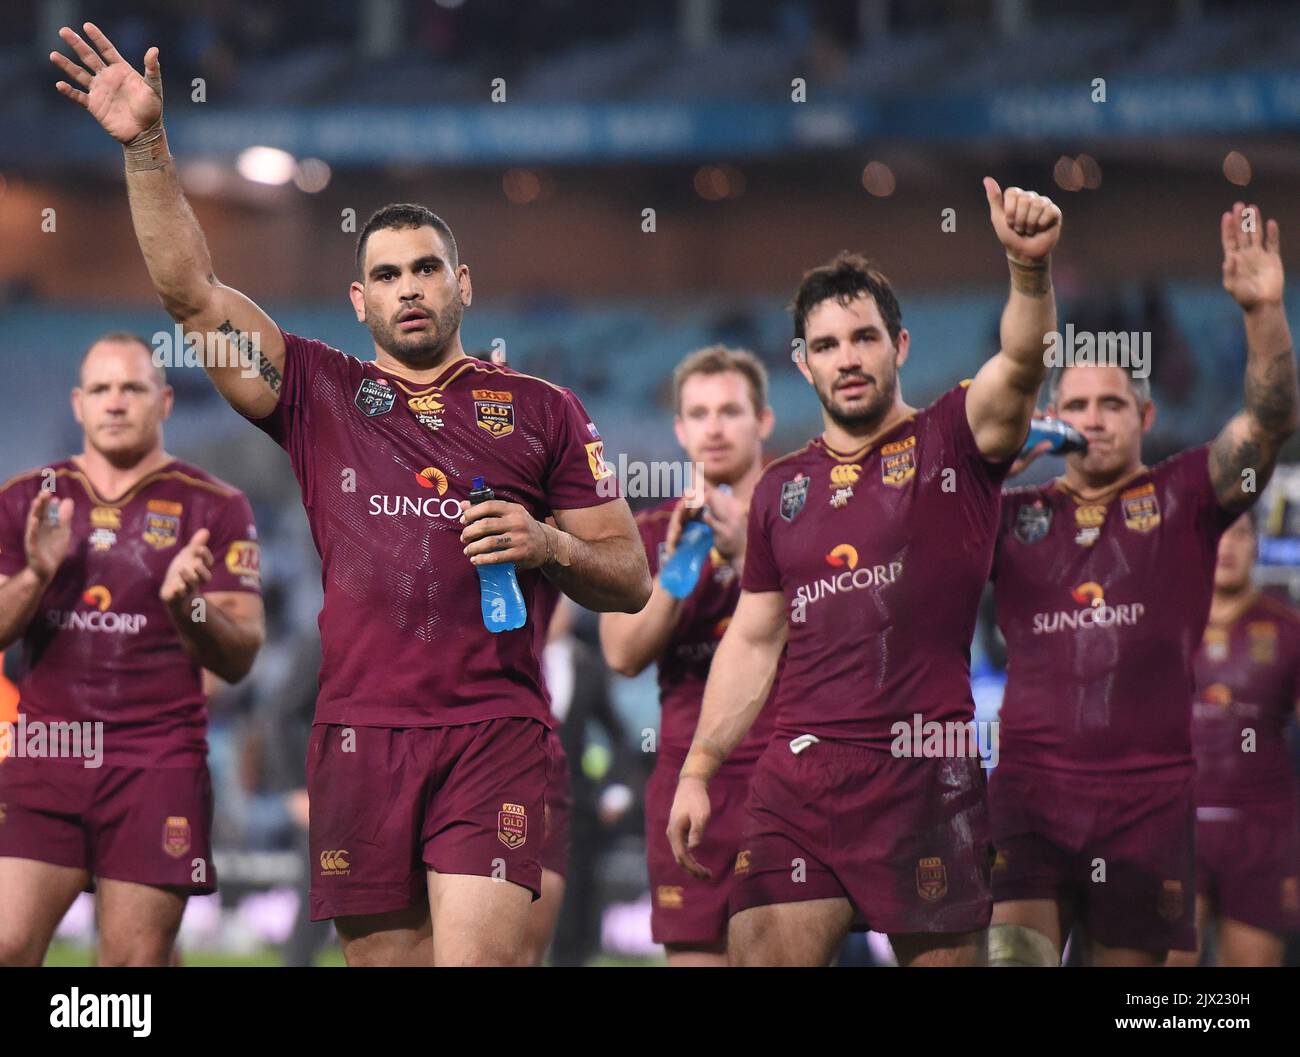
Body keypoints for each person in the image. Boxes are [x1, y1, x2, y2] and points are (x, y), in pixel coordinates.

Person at [51, 22, 650, 966]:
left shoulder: (543, 410)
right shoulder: (318, 391)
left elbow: (629, 575)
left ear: (463, 285)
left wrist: (550, 547)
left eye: (425, 270)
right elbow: (192, 293)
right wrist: (147, 147)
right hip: (359, 738)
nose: (407, 288)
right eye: (385, 275)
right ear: (358, 299)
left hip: (491, 730)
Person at [669, 179, 1062, 966]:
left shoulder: (956, 435)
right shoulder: (781, 488)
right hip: (800, 779)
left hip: (927, 775)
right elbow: (752, 638)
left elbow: (1019, 363)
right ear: (802, 364)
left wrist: (1027, 272)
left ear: (900, 345)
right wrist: (700, 766)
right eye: (826, 345)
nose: (847, 358)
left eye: (864, 337)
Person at [988, 202, 1297, 966]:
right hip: (1029, 797)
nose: (1094, 419)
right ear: (1052, 415)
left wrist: (1263, 314)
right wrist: (989, 464)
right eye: (1078, 405)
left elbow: (1268, 420)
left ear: (1145, 414)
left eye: (1113, 404)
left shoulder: (1186, 494)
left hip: (1147, 805)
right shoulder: (1006, 516)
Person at [0, 332, 265, 966]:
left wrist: (188, 608)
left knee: (129, 972)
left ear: (165, 401)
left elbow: (240, 656)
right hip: (47, 752)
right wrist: (36, 575)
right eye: (100, 389)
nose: (115, 403)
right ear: (77, 403)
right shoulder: (26, 499)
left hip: (158, 760)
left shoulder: (216, 508)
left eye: (132, 388)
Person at [600, 345, 778, 965]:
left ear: (764, 422)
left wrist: (747, 554)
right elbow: (622, 655)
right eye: (698, 413)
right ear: (678, 429)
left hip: (783, 780)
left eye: (730, 410)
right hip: (685, 785)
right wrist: (679, 569)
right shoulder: (649, 533)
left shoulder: (800, 521)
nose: (714, 426)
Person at [1165, 512, 1300, 966]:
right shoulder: (1163, 626)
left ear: (1256, 544)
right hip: (1173, 826)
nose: (1227, 545)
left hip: (1264, 832)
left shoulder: (1289, 630)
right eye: (1214, 531)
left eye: (1239, 533)